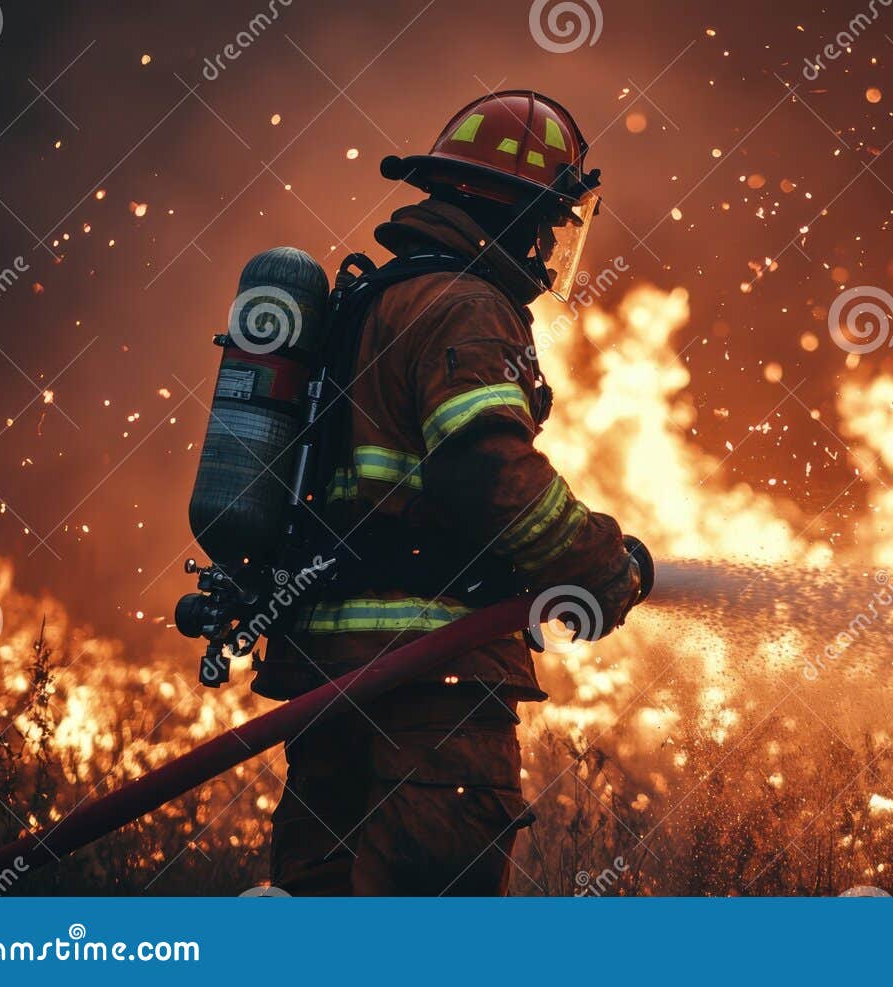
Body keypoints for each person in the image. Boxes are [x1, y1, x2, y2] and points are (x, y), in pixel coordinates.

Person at [254, 90, 645, 896]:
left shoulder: (382, 298)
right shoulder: (467, 305)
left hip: (337, 670)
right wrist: (600, 563)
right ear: (511, 212)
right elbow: (484, 471)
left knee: (319, 916)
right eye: (546, 222)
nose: (547, 248)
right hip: (431, 685)